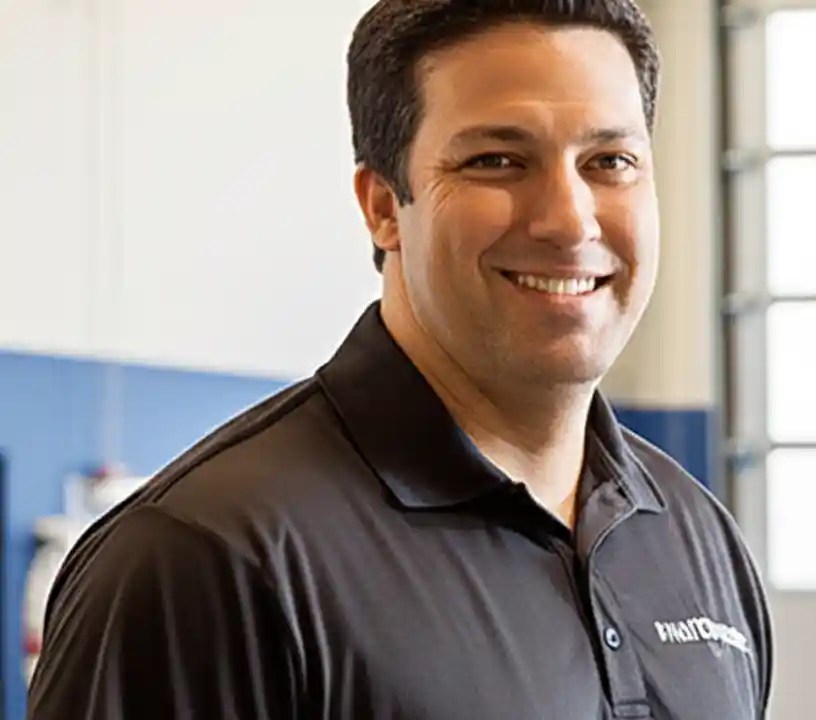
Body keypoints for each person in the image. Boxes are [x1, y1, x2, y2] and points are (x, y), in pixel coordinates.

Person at [28, 0, 773, 717]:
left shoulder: (696, 537)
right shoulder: (209, 559)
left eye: (610, 160)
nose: (569, 219)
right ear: (384, 205)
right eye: (497, 160)